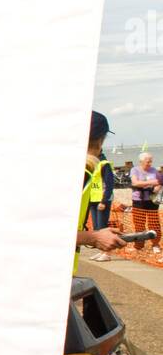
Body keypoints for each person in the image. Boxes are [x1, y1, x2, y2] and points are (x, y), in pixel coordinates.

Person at [75, 113, 126, 269]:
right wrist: (92, 237)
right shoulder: (83, 169)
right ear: (100, 141)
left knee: (100, 226)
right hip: (48, 276)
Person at [129, 151, 162, 237]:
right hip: (138, 200)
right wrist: (152, 182)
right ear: (141, 161)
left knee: (154, 223)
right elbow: (135, 183)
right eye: (148, 161)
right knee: (139, 223)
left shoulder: (154, 170)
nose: (150, 163)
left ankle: (155, 244)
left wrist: (157, 188)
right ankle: (139, 245)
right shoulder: (134, 170)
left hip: (152, 199)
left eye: (151, 161)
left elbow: (159, 182)